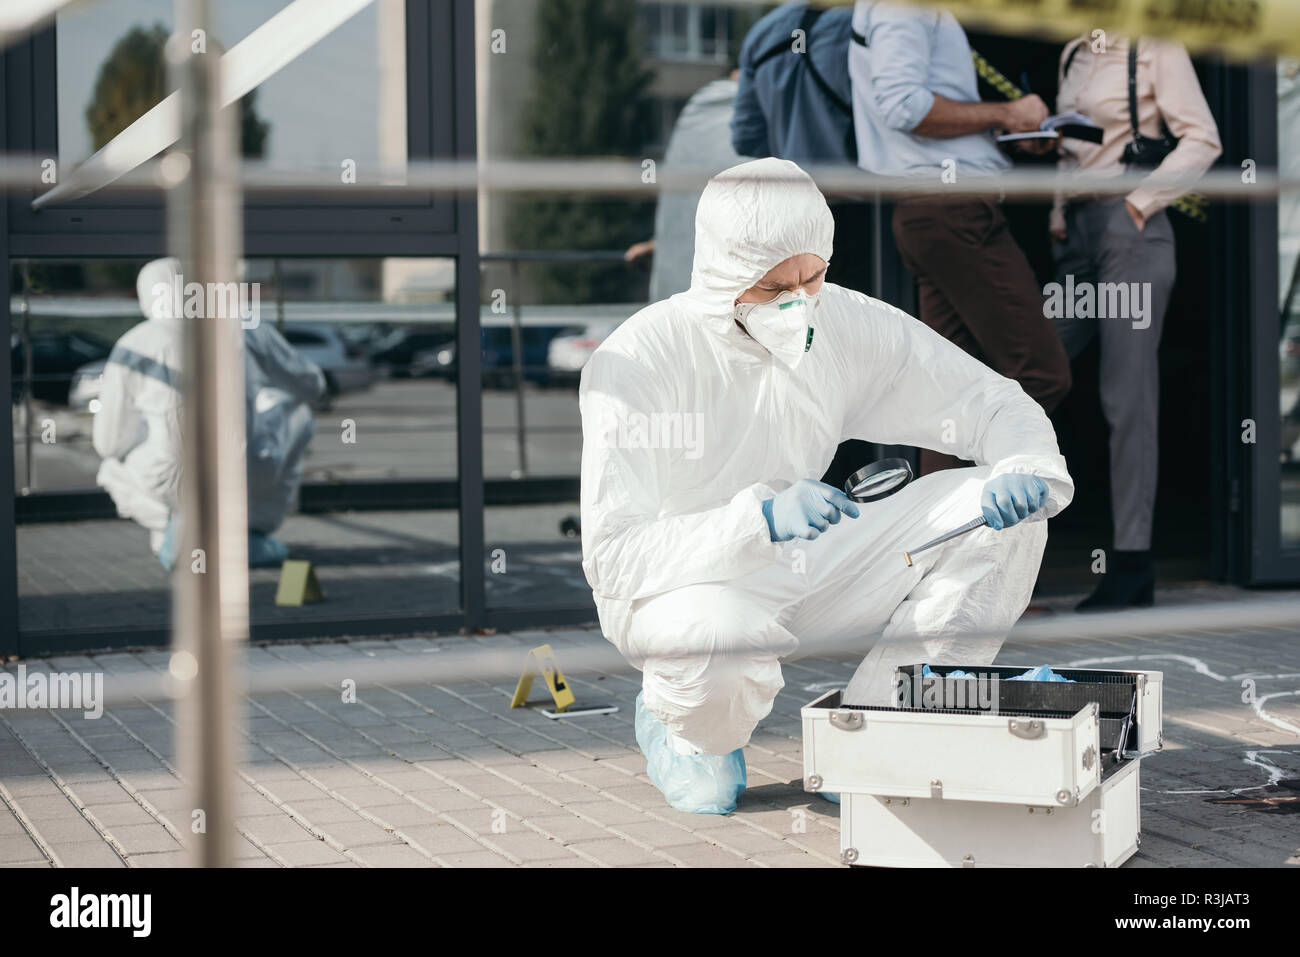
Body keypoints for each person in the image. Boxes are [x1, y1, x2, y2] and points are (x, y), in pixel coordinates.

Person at [579, 158, 1074, 814]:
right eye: (771, 285)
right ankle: (684, 728)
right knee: (717, 667)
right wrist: (760, 519)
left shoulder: (841, 322)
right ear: (722, 272)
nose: (797, 302)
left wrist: (1023, 466)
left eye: (811, 276)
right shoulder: (641, 359)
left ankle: (878, 733)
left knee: (996, 518)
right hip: (686, 591)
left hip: (802, 563)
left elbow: (984, 398)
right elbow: (615, 557)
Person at [847, 1, 1071, 475]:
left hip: (936, 210)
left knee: (950, 401)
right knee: (1040, 373)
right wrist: (1008, 111)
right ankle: (982, 516)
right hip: (954, 212)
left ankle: (935, 539)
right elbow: (903, 106)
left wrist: (1003, 129)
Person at [1049, 35, 1222, 609]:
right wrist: (1056, 212)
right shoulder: (1073, 52)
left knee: (1127, 400)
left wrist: (1139, 204)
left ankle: (1131, 565)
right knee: (1035, 370)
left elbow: (1203, 138)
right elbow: (1066, 150)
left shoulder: (1155, 46)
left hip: (1131, 234)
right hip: (1076, 237)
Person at [94, 257, 326, 570]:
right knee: (298, 414)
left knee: (110, 466)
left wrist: (149, 434)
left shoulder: (134, 343)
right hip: (247, 475)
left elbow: (108, 443)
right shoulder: (246, 326)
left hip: (168, 479)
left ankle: (172, 529)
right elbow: (312, 386)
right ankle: (248, 535)